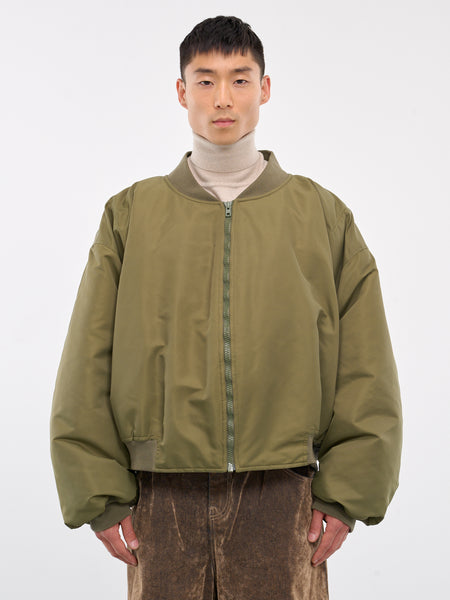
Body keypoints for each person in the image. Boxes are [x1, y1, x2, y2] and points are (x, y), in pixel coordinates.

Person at [50, 15, 402, 600]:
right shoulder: (130, 215)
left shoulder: (322, 216)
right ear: (181, 90)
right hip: (160, 495)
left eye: (240, 79)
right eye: (205, 80)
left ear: (265, 88)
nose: (223, 98)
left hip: (285, 495)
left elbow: (366, 365)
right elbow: (89, 356)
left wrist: (346, 496)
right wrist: (99, 495)